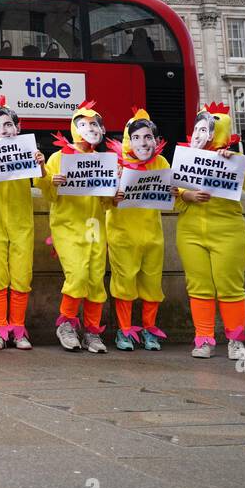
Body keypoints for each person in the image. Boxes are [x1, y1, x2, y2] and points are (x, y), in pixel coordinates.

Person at [176, 102, 245, 359]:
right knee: (198, 286)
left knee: (230, 287)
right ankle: (204, 339)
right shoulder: (187, 157)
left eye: (206, 129)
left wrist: (241, 164)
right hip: (190, 231)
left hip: (228, 231)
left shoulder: (237, 159)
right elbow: (171, 194)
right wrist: (188, 195)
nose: (200, 134)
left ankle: (235, 340)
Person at [37, 100, 112, 354]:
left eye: (95, 124)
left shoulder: (104, 160)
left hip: (94, 226)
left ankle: (92, 331)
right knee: (78, 275)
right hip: (68, 226)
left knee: (94, 278)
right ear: (75, 128)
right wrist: (51, 180)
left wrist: (117, 191)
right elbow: (47, 192)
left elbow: (108, 201)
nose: (91, 128)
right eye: (85, 124)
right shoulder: (58, 157)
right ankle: (66, 323)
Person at [0, 95, 46, 350]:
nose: (3, 130)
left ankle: (18, 329)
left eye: (7, 125)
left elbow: (43, 185)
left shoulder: (29, 152)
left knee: (21, 276)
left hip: (21, 224)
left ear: (18, 127)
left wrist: (42, 166)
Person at [106, 109, 169, 351]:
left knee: (152, 285)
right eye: (137, 137)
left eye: (148, 137)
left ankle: (149, 330)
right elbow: (102, 199)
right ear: (128, 140)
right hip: (122, 235)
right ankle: (124, 331)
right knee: (124, 284)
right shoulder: (115, 163)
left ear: (155, 140)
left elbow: (172, 190)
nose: (143, 142)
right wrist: (113, 196)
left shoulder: (161, 162)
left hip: (153, 236)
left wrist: (175, 191)